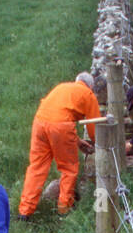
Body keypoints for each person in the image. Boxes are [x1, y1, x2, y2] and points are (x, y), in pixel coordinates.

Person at [18, 72, 101, 218]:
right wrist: (97, 143)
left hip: (39, 123)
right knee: (69, 168)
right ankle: (64, 208)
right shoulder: (88, 94)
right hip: (60, 126)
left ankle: (25, 211)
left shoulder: (62, 87)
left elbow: (57, 115)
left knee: (36, 167)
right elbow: (94, 126)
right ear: (91, 86)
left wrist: (77, 141)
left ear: (77, 81)